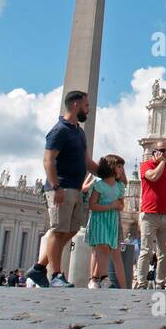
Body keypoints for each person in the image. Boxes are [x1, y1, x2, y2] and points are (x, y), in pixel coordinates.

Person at [26, 91, 96, 289]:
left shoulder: (79, 132)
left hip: (76, 188)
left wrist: (108, 171)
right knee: (58, 231)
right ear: (75, 105)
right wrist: (55, 186)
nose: (88, 109)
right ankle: (56, 274)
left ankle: (39, 268)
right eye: (86, 105)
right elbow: (48, 159)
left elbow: (88, 162)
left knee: (72, 229)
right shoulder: (59, 130)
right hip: (61, 187)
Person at [135, 142, 166, 289]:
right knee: (146, 250)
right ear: (154, 152)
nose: (165, 153)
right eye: (161, 151)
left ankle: (161, 282)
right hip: (149, 214)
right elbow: (153, 177)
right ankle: (141, 283)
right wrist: (161, 163)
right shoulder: (145, 166)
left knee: (164, 252)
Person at [82, 155, 127, 289]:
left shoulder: (119, 186)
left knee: (106, 250)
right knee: (102, 249)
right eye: (119, 166)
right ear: (111, 167)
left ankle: (97, 278)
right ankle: (98, 278)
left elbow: (121, 204)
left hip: (112, 221)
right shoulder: (98, 185)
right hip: (99, 220)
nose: (122, 170)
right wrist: (111, 206)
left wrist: (118, 206)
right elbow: (92, 205)